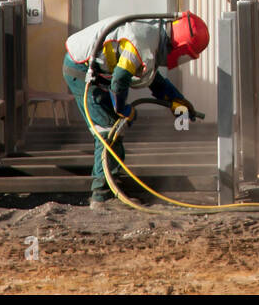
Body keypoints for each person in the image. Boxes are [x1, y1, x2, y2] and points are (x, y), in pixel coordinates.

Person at [61, 12, 208, 208]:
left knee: (113, 129)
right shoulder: (144, 41)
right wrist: (122, 109)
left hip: (96, 72)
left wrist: (175, 99)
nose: (179, 59)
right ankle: (102, 197)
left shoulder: (153, 34)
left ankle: (111, 186)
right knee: (108, 131)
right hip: (81, 70)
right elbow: (120, 79)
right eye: (184, 55)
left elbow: (152, 78)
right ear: (179, 45)